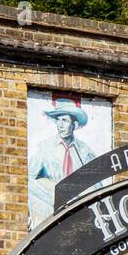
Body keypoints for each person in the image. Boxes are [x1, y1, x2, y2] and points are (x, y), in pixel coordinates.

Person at [27, 94, 98, 228]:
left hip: (77, 214)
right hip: (51, 211)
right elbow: (29, 179)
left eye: (64, 120)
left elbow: (97, 187)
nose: (60, 125)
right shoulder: (45, 148)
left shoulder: (85, 152)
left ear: (74, 125)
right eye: (58, 120)